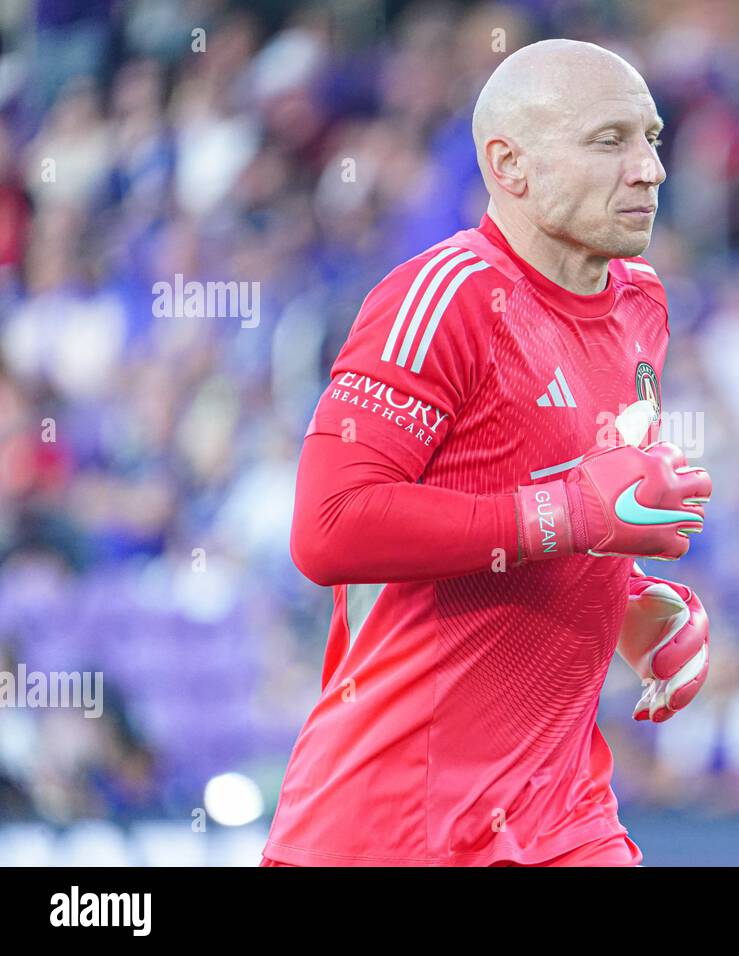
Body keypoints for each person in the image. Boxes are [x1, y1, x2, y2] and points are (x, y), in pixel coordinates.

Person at [260, 38, 711, 867]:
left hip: (564, 817)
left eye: (651, 138)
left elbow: (555, 507)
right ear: (510, 164)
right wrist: (573, 516)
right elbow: (329, 530)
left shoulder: (641, 304)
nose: (648, 169)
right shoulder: (442, 297)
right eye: (609, 141)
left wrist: (634, 601)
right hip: (397, 827)